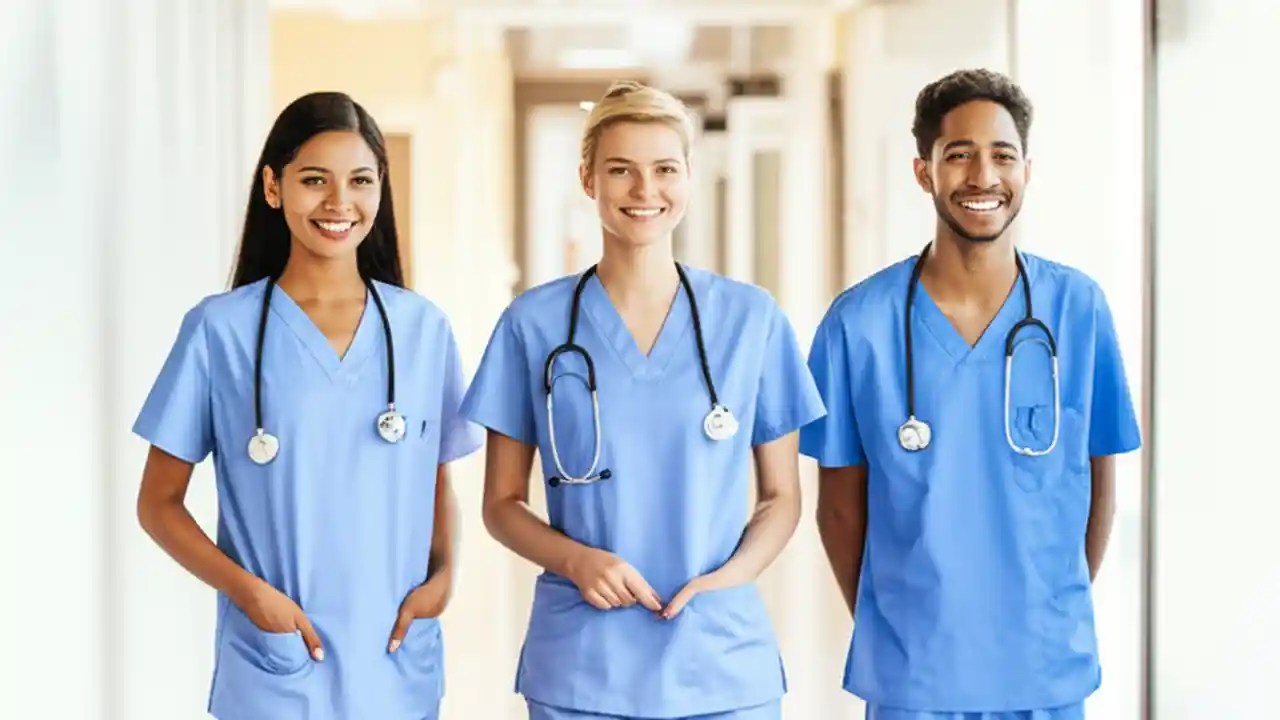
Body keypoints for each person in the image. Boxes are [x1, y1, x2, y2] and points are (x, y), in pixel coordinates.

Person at [459, 80, 826, 720]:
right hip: (584, 663)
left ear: (688, 176)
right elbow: (501, 504)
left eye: (664, 169)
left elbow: (782, 497)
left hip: (719, 659)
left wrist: (729, 579)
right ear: (588, 179)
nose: (644, 190)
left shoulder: (751, 319)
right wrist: (575, 558)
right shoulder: (533, 325)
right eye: (621, 170)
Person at [800, 68, 1142, 720]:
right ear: (924, 172)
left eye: (1002, 156)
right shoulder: (859, 324)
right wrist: (903, 624)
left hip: (1044, 671)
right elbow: (838, 512)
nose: (983, 176)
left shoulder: (1078, 309)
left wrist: (1047, 608)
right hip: (913, 676)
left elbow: (1100, 489)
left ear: (1027, 171)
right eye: (958, 155)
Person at [133, 91, 482, 720]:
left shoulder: (422, 330)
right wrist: (250, 596)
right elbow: (158, 504)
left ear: (381, 190)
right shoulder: (221, 331)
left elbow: (434, 480)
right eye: (314, 180)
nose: (338, 203)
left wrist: (444, 578)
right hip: (277, 664)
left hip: (394, 660)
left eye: (360, 181)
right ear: (274, 186)